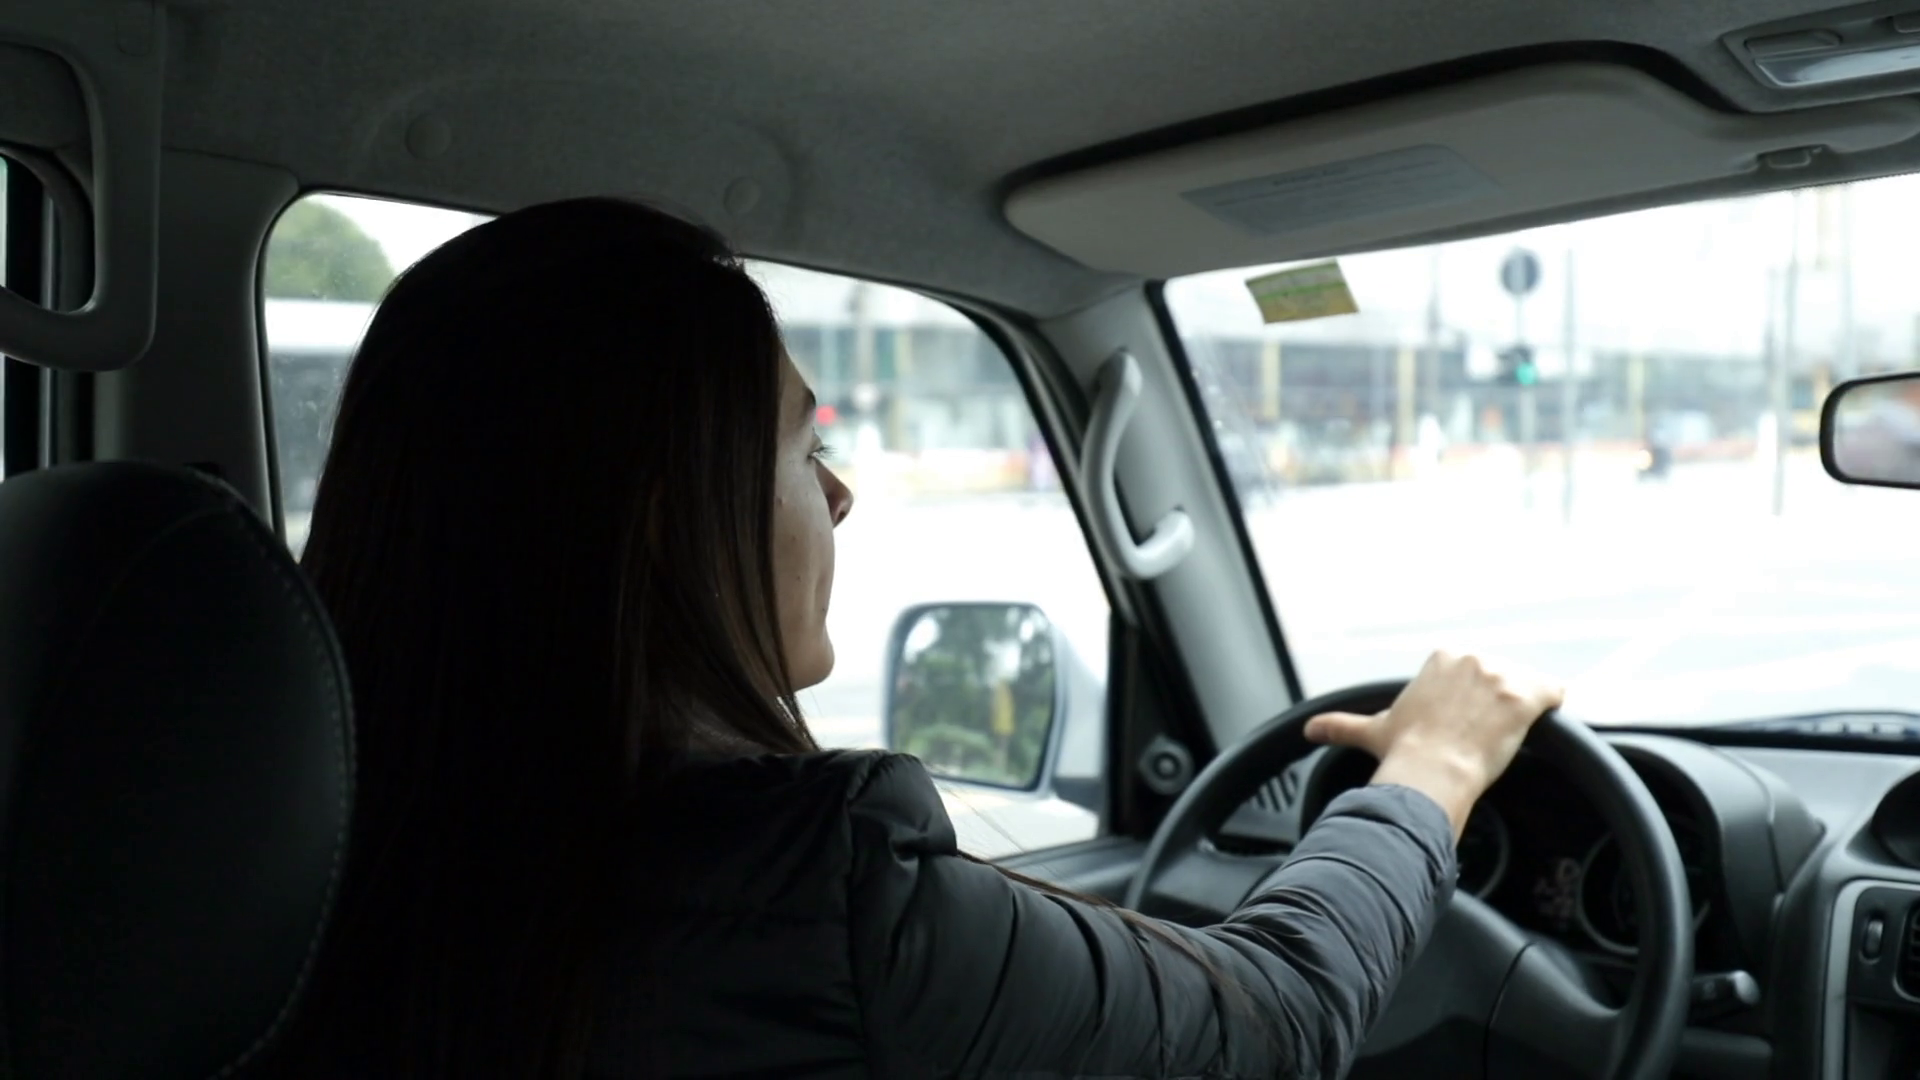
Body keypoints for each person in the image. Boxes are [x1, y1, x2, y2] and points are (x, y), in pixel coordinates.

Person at [276, 197, 1564, 1079]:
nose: (837, 492)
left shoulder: (289, 859)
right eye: (802, 444)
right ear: (668, 520)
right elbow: (1277, 1024)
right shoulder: (812, 883)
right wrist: (1433, 773)